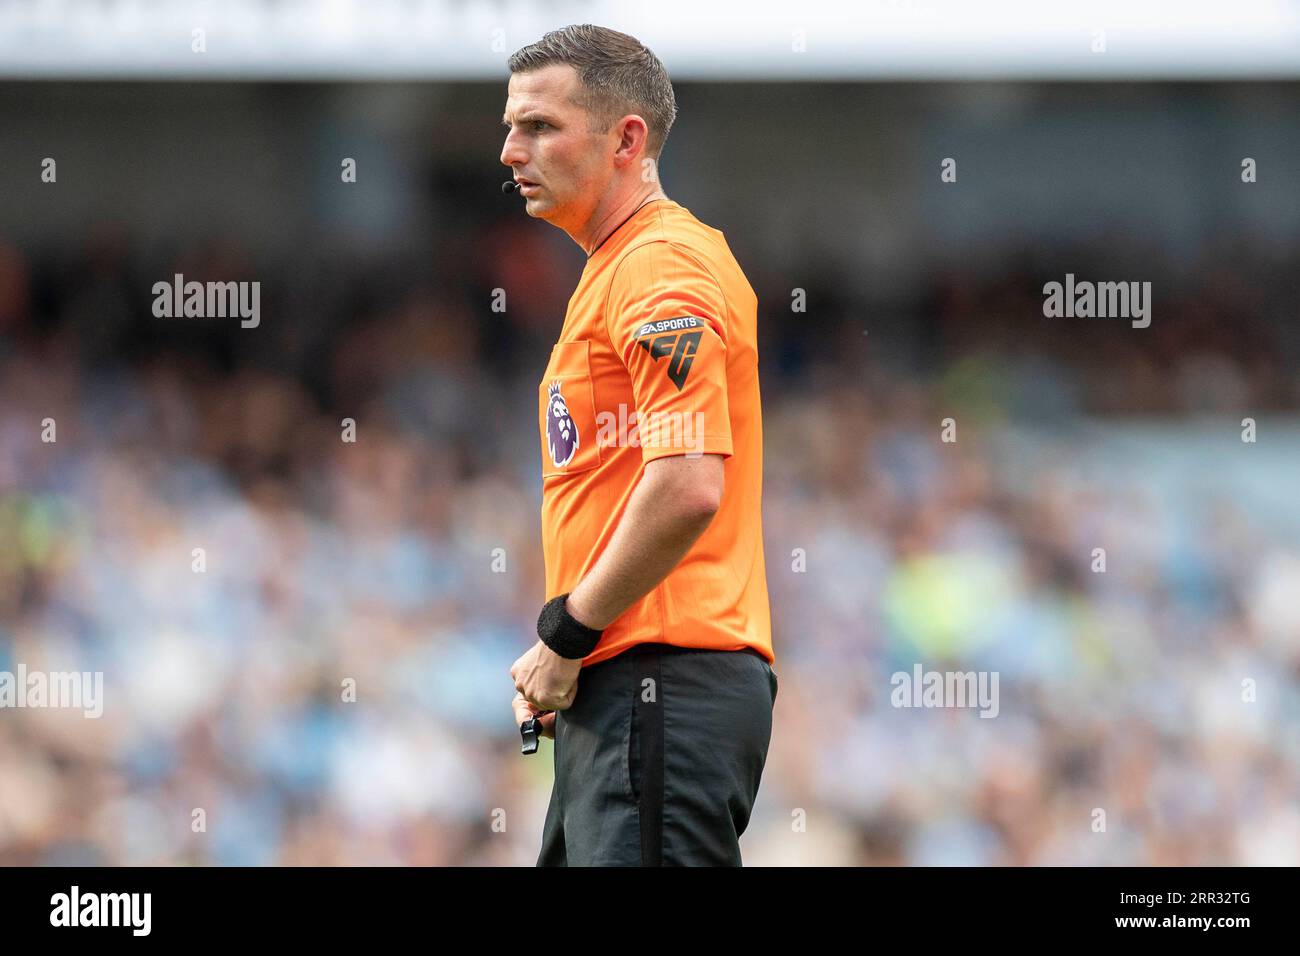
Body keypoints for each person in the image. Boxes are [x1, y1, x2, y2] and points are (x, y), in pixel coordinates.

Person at [502, 23, 776, 866]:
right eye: (512, 126)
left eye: (540, 126)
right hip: (626, 687)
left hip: (660, 679)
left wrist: (567, 635)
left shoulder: (662, 265)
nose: (511, 151)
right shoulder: (617, 269)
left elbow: (689, 483)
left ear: (627, 139)